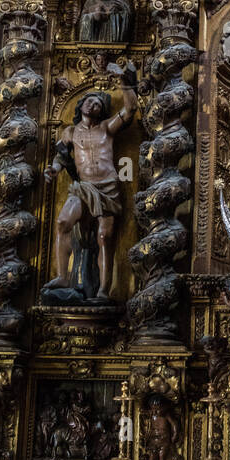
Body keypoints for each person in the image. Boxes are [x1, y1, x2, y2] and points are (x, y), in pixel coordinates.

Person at [43, 65, 137, 301]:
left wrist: (126, 84)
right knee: (63, 221)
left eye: (98, 104)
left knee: (105, 237)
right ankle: (63, 276)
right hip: (83, 187)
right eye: (90, 101)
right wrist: (53, 170)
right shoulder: (70, 132)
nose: (94, 105)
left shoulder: (107, 127)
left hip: (107, 186)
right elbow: (61, 157)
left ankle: (104, 290)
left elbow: (130, 109)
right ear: (81, 106)